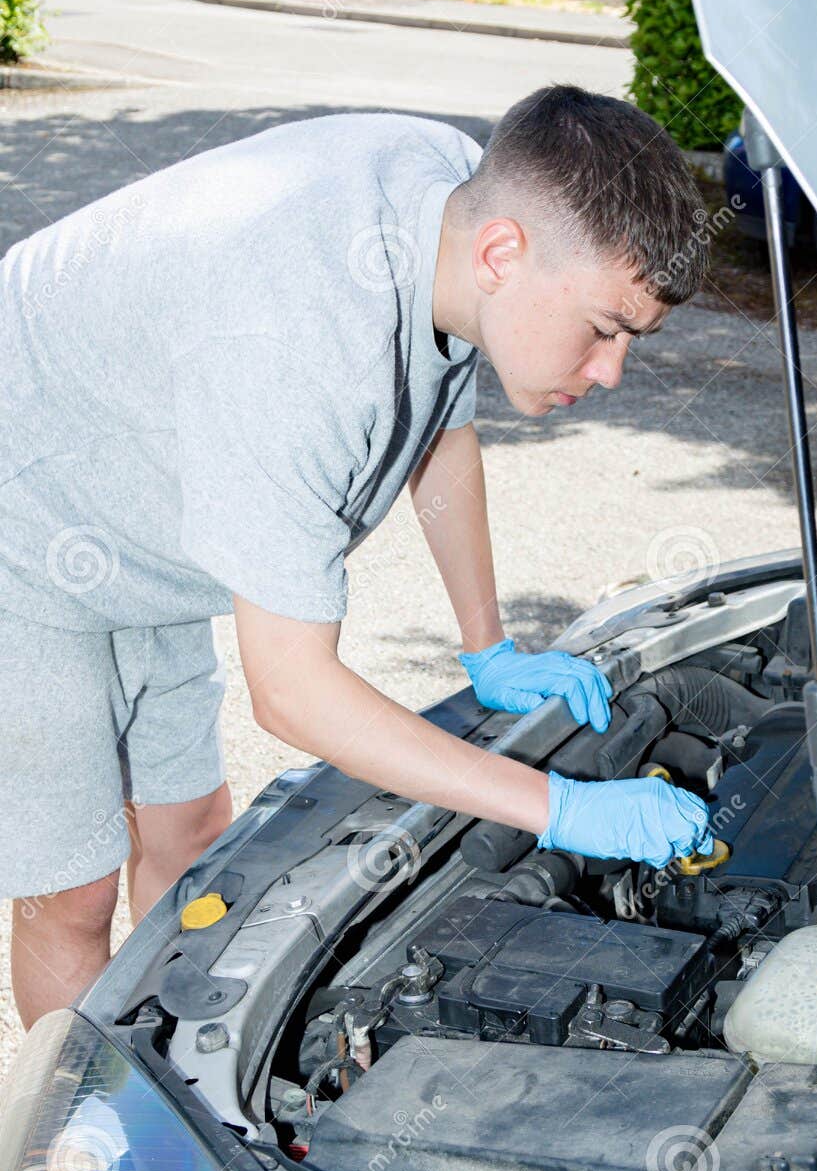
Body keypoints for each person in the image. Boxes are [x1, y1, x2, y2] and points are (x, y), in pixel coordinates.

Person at [0, 84, 720, 1028]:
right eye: (603, 329)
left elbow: (440, 426)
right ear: (503, 253)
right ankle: (68, 1163)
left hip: (140, 500)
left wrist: (488, 649)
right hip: (23, 525)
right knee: (75, 892)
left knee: (190, 836)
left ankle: (158, 1093)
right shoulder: (292, 352)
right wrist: (558, 807)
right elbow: (292, 693)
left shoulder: (453, 207)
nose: (610, 371)